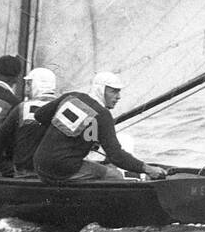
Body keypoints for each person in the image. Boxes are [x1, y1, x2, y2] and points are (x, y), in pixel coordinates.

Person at [32, 71, 167, 182]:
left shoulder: (71, 96)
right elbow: (116, 156)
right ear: (100, 90)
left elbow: (39, 115)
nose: (118, 97)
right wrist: (148, 169)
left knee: (97, 169)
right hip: (63, 170)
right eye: (113, 92)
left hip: (40, 164)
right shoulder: (103, 115)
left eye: (118, 92)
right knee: (115, 176)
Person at [0, 67, 58, 176]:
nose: (27, 88)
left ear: (34, 85)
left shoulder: (21, 109)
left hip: (25, 172)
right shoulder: (62, 108)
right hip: (53, 173)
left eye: (28, 84)